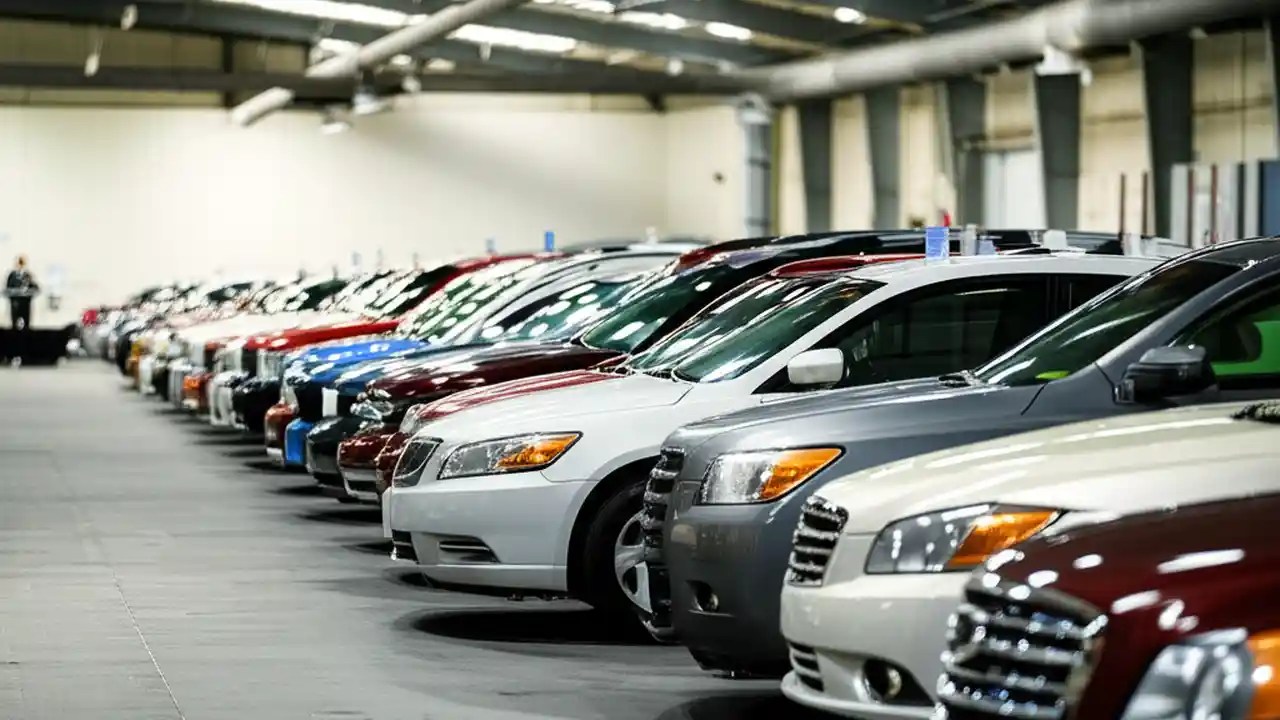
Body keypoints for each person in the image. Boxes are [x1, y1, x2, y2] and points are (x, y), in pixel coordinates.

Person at [6, 255, 38, 331]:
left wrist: (29, 290)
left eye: (22, 263)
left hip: (25, 303)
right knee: (15, 324)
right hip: (16, 303)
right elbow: (8, 288)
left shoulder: (27, 275)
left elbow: (34, 286)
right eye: (19, 263)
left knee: (26, 324)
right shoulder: (12, 275)